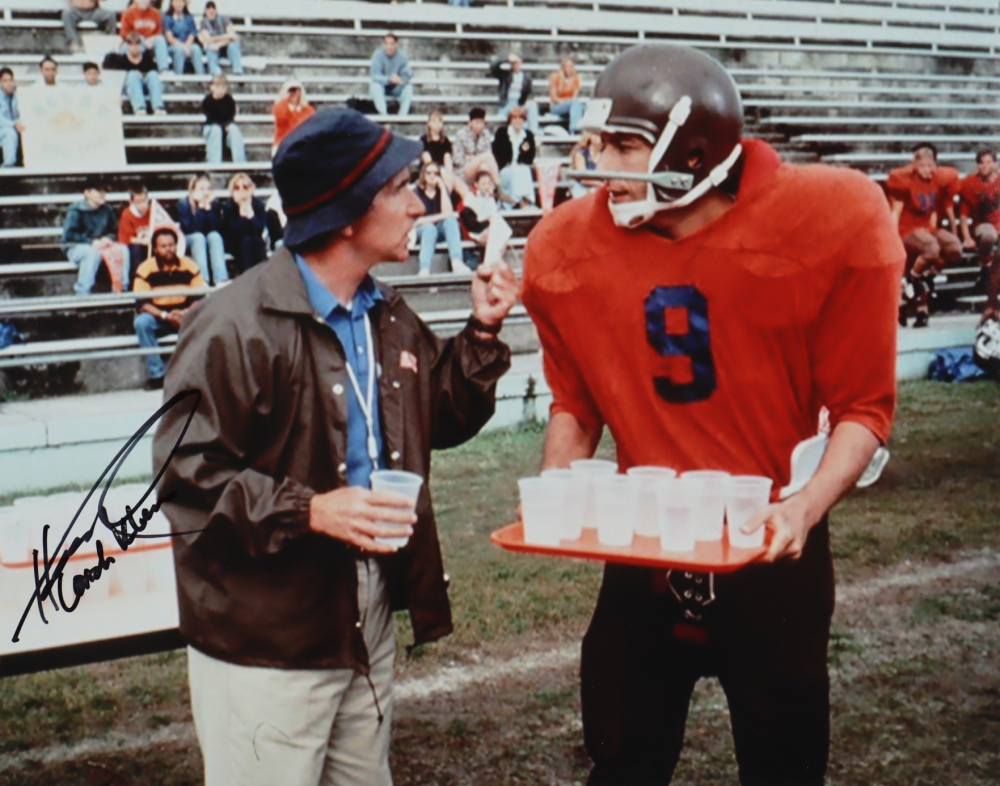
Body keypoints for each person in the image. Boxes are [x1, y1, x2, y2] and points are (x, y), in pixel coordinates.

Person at [520, 43, 904, 786]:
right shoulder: (566, 244)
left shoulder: (825, 216)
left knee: (783, 770)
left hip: (769, 560)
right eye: (597, 141)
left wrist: (805, 507)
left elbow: (863, 409)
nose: (600, 164)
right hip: (645, 555)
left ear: (694, 157)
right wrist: (554, 493)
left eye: (624, 145)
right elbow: (576, 401)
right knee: (622, 761)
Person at [152, 107, 517, 786]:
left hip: (365, 609)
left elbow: (435, 414)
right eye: (399, 187)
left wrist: (484, 333)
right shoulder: (234, 325)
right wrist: (311, 512)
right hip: (268, 632)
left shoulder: (386, 313)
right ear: (348, 212)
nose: (418, 203)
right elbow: (184, 475)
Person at [886, 143, 963, 327]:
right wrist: (892, 237)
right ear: (914, 166)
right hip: (907, 229)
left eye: (930, 165)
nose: (927, 170)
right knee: (931, 248)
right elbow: (895, 211)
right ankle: (915, 284)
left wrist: (940, 227)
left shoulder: (940, 178)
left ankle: (921, 280)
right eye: (922, 166)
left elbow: (936, 206)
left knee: (954, 248)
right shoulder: (904, 181)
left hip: (926, 228)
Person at [133, 226, 205, 390]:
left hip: (186, 315)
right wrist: (166, 316)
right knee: (142, 323)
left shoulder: (190, 265)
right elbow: (142, 303)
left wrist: (185, 313)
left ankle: (195, 375)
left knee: (205, 318)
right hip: (160, 317)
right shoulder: (145, 268)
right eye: (163, 246)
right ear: (156, 248)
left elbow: (200, 297)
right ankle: (157, 375)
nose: (168, 250)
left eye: (171, 245)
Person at [412, 161, 470, 276]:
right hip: (422, 230)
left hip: (439, 229)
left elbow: (448, 213)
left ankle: (456, 262)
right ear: (423, 174)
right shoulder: (416, 192)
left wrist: (443, 188)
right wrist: (440, 216)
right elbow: (416, 220)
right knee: (429, 229)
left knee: (451, 222)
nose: (432, 176)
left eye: (435, 173)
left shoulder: (440, 191)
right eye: (429, 173)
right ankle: (424, 268)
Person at [63, 180, 119, 296]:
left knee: (122, 250)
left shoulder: (107, 209)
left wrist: (108, 238)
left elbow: (114, 230)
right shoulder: (76, 210)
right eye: (98, 191)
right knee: (91, 253)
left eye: (104, 191)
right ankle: (82, 291)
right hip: (76, 247)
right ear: (87, 193)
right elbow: (70, 235)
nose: (102, 194)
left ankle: (121, 287)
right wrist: (91, 242)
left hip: (101, 245)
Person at [178, 173, 228, 286]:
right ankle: (202, 279)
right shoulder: (184, 204)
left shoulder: (214, 203)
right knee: (199, 237)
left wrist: (209, 210)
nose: (205, 192)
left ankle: (221, 279)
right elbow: (191, 228)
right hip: (190, 238)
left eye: (208, 189)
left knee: (214, 236)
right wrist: (200, 208)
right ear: (193, 190)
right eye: (201, 189)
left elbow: (216, 227)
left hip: (207, 237)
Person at [957, 148, 1000, 276]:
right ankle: (985, 269)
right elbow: (963, 214)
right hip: (982, 225)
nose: (985, 166)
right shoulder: (970, 182)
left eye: (988, 162)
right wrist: (967, 238)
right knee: (988, 235)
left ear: (995, 164)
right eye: (981, 163)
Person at [104, 32, 166, 115]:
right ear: (128, 46)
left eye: (137, 44)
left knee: (153, 75)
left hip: (146, 87)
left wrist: (142, 75)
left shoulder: (146, 58)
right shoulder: (121, 59)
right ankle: (139, 108)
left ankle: (158, 107)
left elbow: (153, 70)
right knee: (132, 75)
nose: (134, 47)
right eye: (131, 45)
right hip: (129, 88)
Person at [220, 172, 268, 273]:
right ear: (232, 191)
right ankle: (247, 275)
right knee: (245, 241)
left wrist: (251, 215)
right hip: (234, 243)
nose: (241, 191)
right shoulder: (228, 207)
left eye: (245, 187)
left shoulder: (258, 205)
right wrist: (242, 214)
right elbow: (233, 230)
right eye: (237, 188)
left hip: (254, 241)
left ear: (251, 189)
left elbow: (259, 229)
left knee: (257, 241)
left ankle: (265, 275)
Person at [492, 104, 536, 208]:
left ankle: (526, 201)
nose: (517, 121)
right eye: (514, 118)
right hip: (505, 170)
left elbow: (529, 159)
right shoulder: (502, 133)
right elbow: (497, 155)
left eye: (520, 118)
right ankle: (518, 202)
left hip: (521, 170)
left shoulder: (528, 135)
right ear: (510, 120)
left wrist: (523, 151)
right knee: (515, 171)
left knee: (524, 169)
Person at [458, 169, 498, 270]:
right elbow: (472, 224)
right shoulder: (470, 199)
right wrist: (488, 223)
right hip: (474, 231)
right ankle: (487, 265)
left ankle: (493, 263)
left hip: (487, 228)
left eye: (489, 183)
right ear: (476, 184)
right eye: (483, 183)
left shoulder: (491, 199)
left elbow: (494, 216)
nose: (486, 186)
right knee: (490, 236)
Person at [491, 52, 540, 135]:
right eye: (514, 63)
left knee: (532, 106)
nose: (516, 65)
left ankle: (534, 133)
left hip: (520, 104)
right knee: (500, 121)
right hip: (507, 104)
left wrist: (524, 105)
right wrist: (506, 58)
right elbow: (493, 67)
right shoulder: (505, 75)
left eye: (517, 63)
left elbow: (530, 93)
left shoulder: (526, 78)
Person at [202, 73, 246, 164]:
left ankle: (240, 161)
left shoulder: (229, 100)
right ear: (212, 88)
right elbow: (210, 118)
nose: (220, 90)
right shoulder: (207, 101)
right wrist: (223, 125)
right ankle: (214, 162)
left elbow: (231, 115)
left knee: (234, 129)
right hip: (211, 127)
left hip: (226, 125)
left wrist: (228, 124)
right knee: (216, 130)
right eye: (218, 87)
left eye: (223, 88)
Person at [452, 106, 499, 186]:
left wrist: (474, 159)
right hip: (463, 171)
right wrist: (476, 160)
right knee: (487, 156)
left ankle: (489, 192)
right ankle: (498, 186)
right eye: (477, 122)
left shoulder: (486, 134)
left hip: (479, 167)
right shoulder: (461, 134)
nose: (479, 125)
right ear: (470, 123)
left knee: (485, 167)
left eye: (481, 122)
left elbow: (488, 158)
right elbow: (457, 159)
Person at [118, 184, 153, 289]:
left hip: (149, 243)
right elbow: (125, 238)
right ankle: (137, 282)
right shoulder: (127, 214)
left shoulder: (152, 212)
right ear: (132, 202)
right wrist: (142, 241)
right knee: (136, 251)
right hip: (134, 246)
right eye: (138, 202)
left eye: (144, 201)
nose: (142, 205)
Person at [369, 33, 413, 117]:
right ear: (383, 44)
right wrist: (389, 79)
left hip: (396, 87)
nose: (389, 47)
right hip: (383, 86)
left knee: (408, 88)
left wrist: (401, 80)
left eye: (391, 44)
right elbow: (375, 76)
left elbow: (408, 74)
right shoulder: (377, 55)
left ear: (396, 44)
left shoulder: (403, 56)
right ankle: (384, 116)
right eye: (386, 43)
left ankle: (402, 117)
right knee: (374, 87)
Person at [120, 0, 170, 72]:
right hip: (135, 42)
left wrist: (152, 39)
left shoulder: (155, 13)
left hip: (151, 43)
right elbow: (124, 33)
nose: (145, 2)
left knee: (160, 40)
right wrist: (141, 39)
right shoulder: (128, 13)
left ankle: (164, 69)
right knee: (123, 49)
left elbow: (159, 32)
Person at [198, 0, 243, 76]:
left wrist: (219, 44)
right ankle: (215, 72)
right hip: (215, 48)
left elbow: (232, 36)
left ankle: (238, 71)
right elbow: (208, 39)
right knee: (210, 48)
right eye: (208, 9)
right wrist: (225, 37)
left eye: (213, 9)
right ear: (205, 11)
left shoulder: (224, 19)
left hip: (225, 45)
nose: (211, 12)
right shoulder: (203, 23)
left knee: (233, 45)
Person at [162, 0, 205, 75]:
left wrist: (187, 45)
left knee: (196, 48)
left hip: (187, 44)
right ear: (172, 3)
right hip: (173, 45)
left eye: (181, 2)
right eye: (176, 2)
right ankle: (178, 79)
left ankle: (201, 77)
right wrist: (183, 47)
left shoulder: (188, 17)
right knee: (179, 50)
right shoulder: (168, 17)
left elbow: (192, 34)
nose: (179, 4)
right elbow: (169, 37)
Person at [272, 77, 314, 151]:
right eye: (291, 89)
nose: (294, 92)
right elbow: (281, 119)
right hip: (283, 144)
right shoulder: (280, 106)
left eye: (296, 89)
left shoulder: (308, 110)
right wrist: (286, 99)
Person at [547, 56, 585, 133]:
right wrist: (561, 81)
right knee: (575, 104)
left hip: (571, 105)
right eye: (567, 66)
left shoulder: (576, 78)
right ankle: (574, 129)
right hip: (557, 105)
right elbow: (554, 97)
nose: (569, 68)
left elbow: (575, 97)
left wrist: (570, 102)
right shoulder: (555, 77)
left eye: (571, 66)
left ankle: (578, 129)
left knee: (581, 106)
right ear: (563, 67)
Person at [420, 108, 454, 188]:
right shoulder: (424, 140)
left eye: (439, 121)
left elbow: (447, 159)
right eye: (434, 121)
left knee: (451, 179)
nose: (437, 124)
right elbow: (427, 160)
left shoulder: (446, 141)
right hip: (428, 171)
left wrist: (448, 174)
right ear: (429, 123)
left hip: (444, 172)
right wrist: (438, 173)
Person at [568, 130, 602, 199]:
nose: (597, 137)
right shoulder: (581, 153)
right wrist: (600, 184)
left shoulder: (604, 154)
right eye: (595, 135)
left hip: (600, 186)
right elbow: (583, 179)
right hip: (582, 186)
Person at [0, 68, 22, 169]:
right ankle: (9, 165)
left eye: (11, 80)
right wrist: (13, 124)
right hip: (3, 128)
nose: (9, 83)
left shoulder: (16, 96)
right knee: (10, 133)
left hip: (10, 127)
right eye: (5, 80)